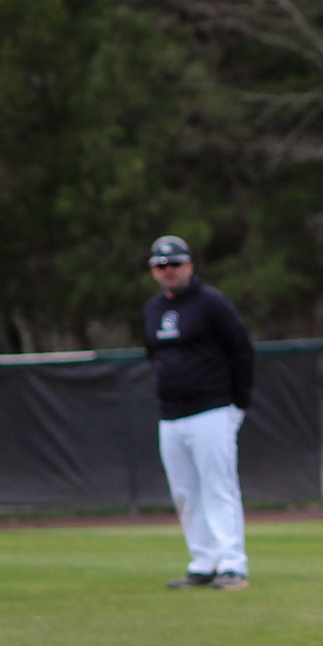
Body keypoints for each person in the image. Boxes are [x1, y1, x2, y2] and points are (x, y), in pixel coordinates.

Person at [142, 235, 255, 590]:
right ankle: (203, 562)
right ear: (153, 271)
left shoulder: (211, 304)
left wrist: (238, 404)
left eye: (174, 264)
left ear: (189, 266)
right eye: (161, 266)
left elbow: (242, 351)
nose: (168, 271)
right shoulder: (153, 309)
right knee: (185, 492)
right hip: (171, 414)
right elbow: (155, 357)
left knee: (218, 487)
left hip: (212, 409)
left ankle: (232, 564)